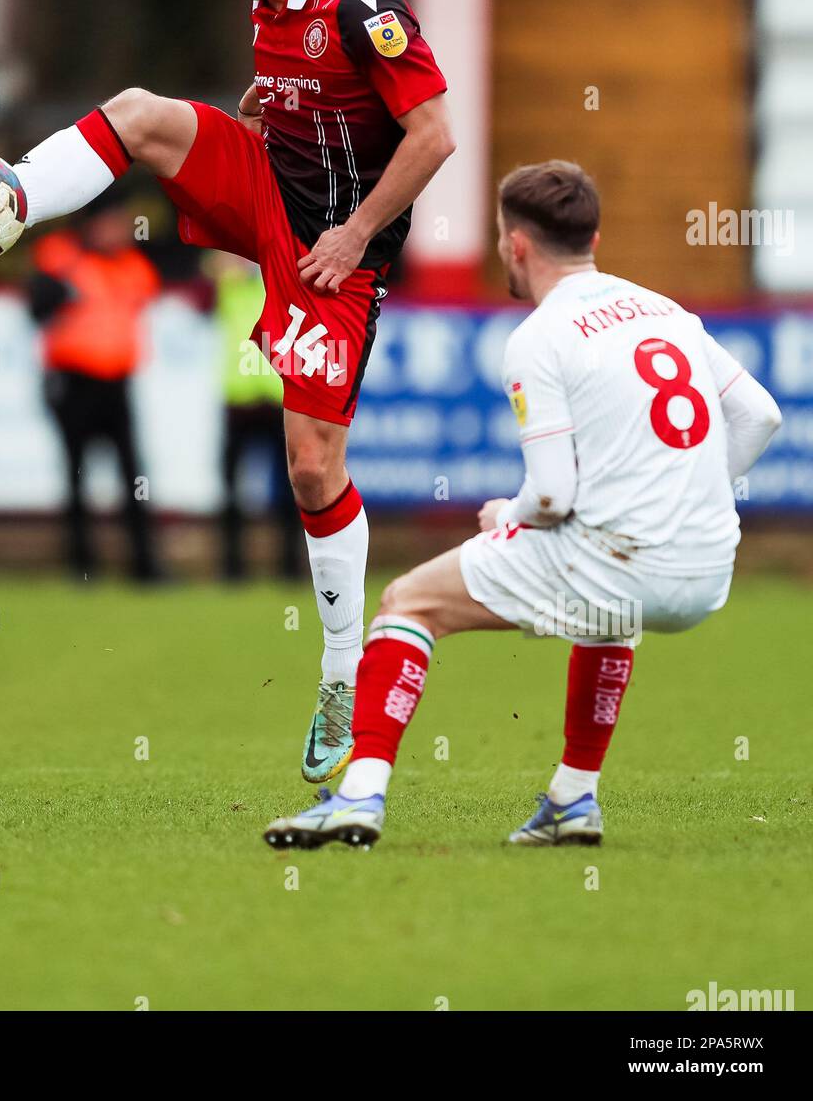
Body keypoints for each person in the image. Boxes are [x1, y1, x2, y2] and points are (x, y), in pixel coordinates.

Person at [0, 0, 454, 785]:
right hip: (269, 188)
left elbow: (434, 135)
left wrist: (355, 234)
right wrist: (278, 103)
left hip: (332, 256)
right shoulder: (269, 5)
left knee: (311, 468)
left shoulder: (364, 6)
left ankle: (344, 669)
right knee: (140, 112)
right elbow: (312, 95)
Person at [263, 161, 783, 850]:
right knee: (611, 614)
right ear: (593, 235)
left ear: (515, 245)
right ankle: (573, 799)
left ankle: (358, 796)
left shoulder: (539, 337)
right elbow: (760, 415)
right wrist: (685, 497)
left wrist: (507, 514)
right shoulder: (667, 312)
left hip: (621, 560)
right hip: (706, 570)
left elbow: (550, 494)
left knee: (408, 603)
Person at [29, 197, 162, 582]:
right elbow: (36, 308)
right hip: (74, 382)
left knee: (133, 475)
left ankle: (143, 565)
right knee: (76, 474)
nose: (118, 233)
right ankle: (81, 565)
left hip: (116, 383)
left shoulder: (132, 267)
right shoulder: (61, 258)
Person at [209, 251, 303, 581]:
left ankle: (290, 567)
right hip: (241, 398)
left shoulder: (281, 283)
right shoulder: (230, 281)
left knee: (290, 488)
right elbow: (211, 273)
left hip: (277, 395)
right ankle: (232, 567)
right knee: (231, 488)